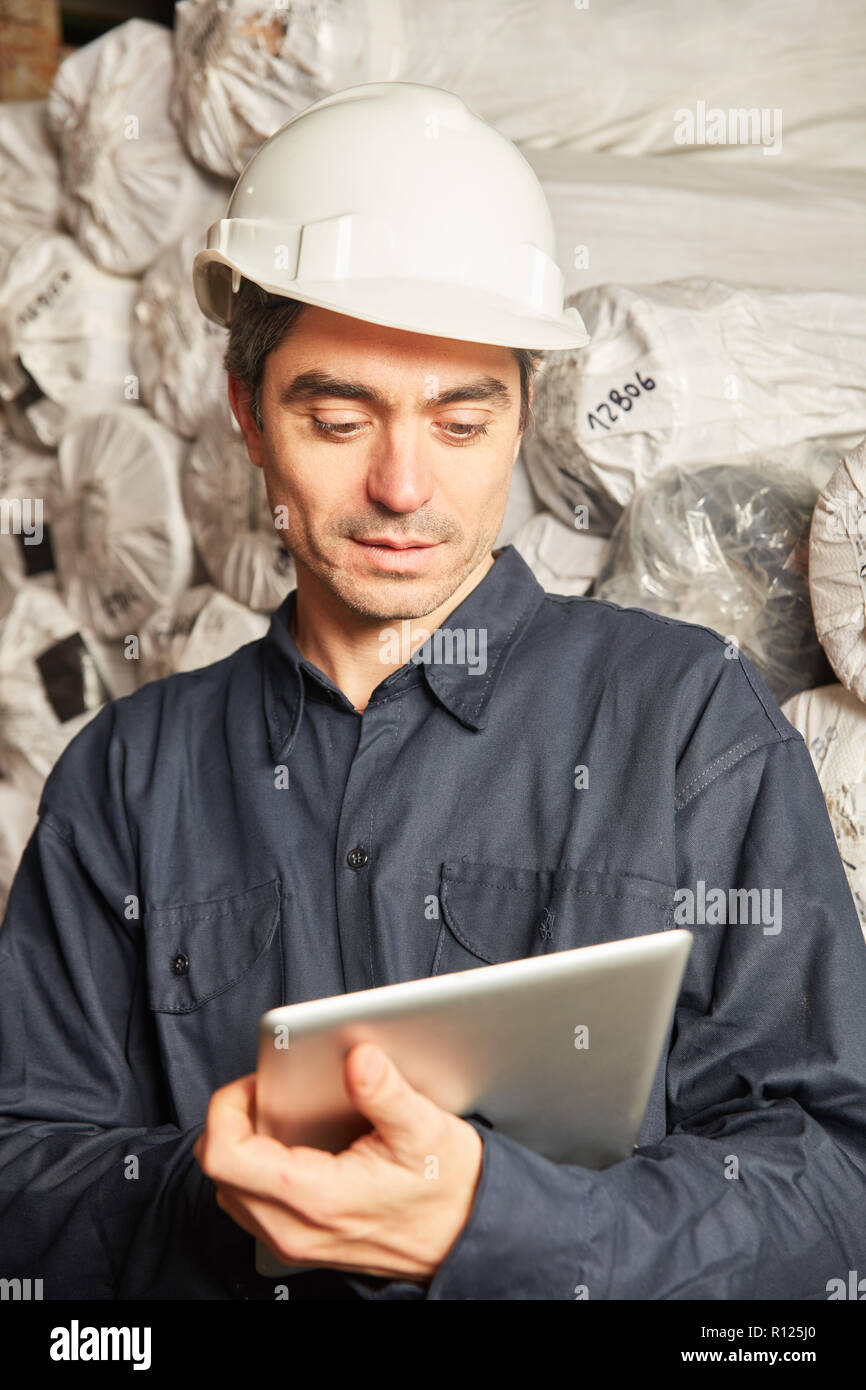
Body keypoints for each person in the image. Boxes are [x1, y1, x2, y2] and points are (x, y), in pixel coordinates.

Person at [1, 81, 865, 1302]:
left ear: (521, 417)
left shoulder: (681, 726)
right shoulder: (129, 779)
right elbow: (23, 1177)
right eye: (340, 416)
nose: (404, 486)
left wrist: (491, 1217)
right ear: (247, 413)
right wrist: (241, 1187)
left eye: (461, 421)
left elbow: (830, 1183)